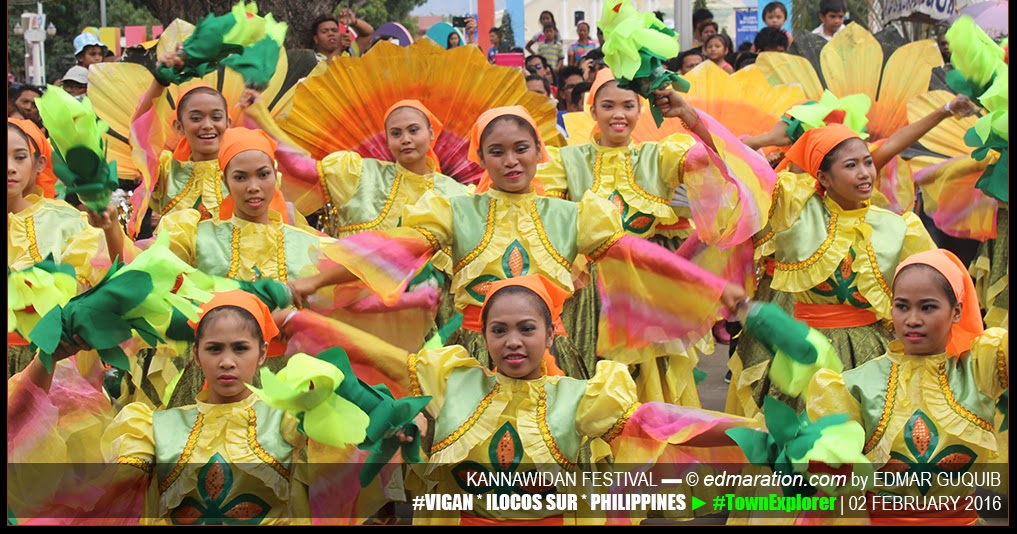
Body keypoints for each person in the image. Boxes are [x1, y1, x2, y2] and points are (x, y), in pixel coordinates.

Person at [290, 107, 748, 382]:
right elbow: (391, 251)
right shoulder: (453, 210)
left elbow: (637, 254)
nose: (510, 161)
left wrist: (709, 285)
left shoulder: (574, 215)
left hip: (553, 357)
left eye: (521, 149)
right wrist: (314, 282)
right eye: (497, 152)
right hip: (474, 358)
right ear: (481, 158)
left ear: (538, 153)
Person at [279, 274, 756, 525]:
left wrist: (754, 432)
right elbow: (375, 356)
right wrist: (299, 323)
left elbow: (660, 423)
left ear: (551, 334)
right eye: (499, 330)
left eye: (527, 329)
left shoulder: (580, 398)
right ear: (483, 336)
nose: (512, 341)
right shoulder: (452, 382)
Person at [535, 71, 774, 404]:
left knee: (648, 391)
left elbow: (721, 159)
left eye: (627, 105)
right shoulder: (566, 161)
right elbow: (544, 220)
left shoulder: (658, 157)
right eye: (608, 105)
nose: (618, 114)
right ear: (593, 111)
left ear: (640, 110)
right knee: (588, 388)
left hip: (644, 290)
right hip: (586, 294)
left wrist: (686, 113)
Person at [728, 123, 938, 418]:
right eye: (851, 165)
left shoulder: (897, 227)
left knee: (867, 433)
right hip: (806, 352)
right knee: (807, 437)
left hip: (872, 355)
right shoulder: (796, 210)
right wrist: (690, 114)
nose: (865, 173)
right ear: (824, 178)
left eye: (868, 162)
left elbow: (936, 290)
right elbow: (732, 159)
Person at [806, 249, 1007, 525]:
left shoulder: (980, 370)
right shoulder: (856, 386)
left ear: (957, 311)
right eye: (902, 306)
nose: (913, 319)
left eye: (928, 307)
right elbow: (836, 479)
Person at [7, 119, 122, 376]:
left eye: (20, 157)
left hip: (55, 366)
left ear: (38, 164)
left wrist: (111, 227)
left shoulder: (63, 220)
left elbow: (112, 276)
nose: (10, 167)